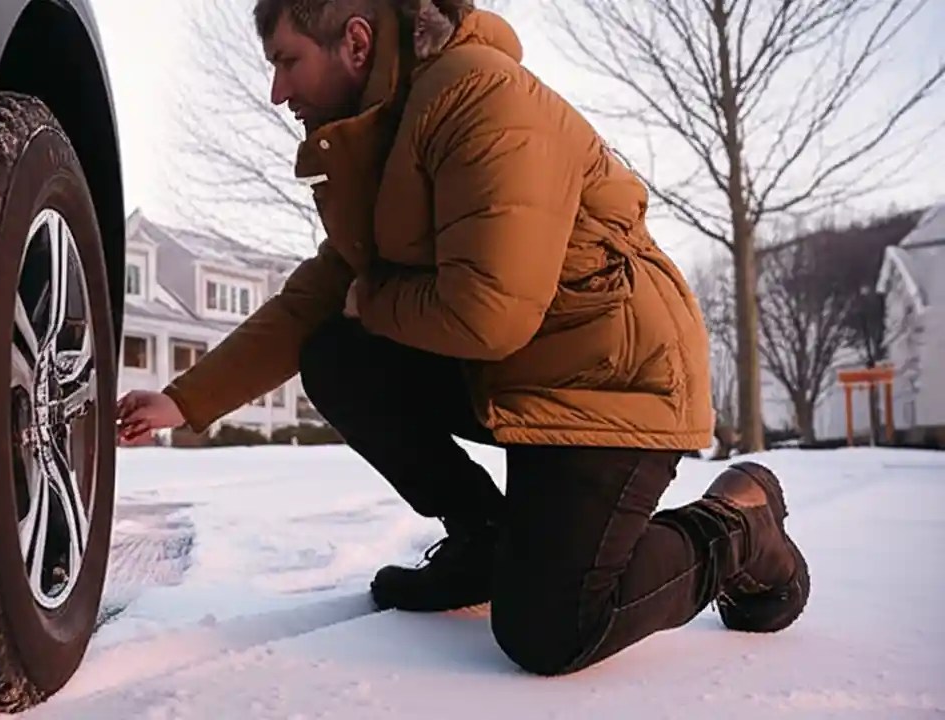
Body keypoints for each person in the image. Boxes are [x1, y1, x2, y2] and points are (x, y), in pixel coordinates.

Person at [116, 0, 809, 676]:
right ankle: (486, 538)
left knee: (552, 629)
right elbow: (318, 298)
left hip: (611, 379)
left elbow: (487, 314)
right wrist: (184, 401)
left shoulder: (482, 97)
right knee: (335, 352)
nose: (277, 90)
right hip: (518, 375)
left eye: (288, 61)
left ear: (355, 42)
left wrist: (372, 298)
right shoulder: (385, 131)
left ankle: (739, 522)